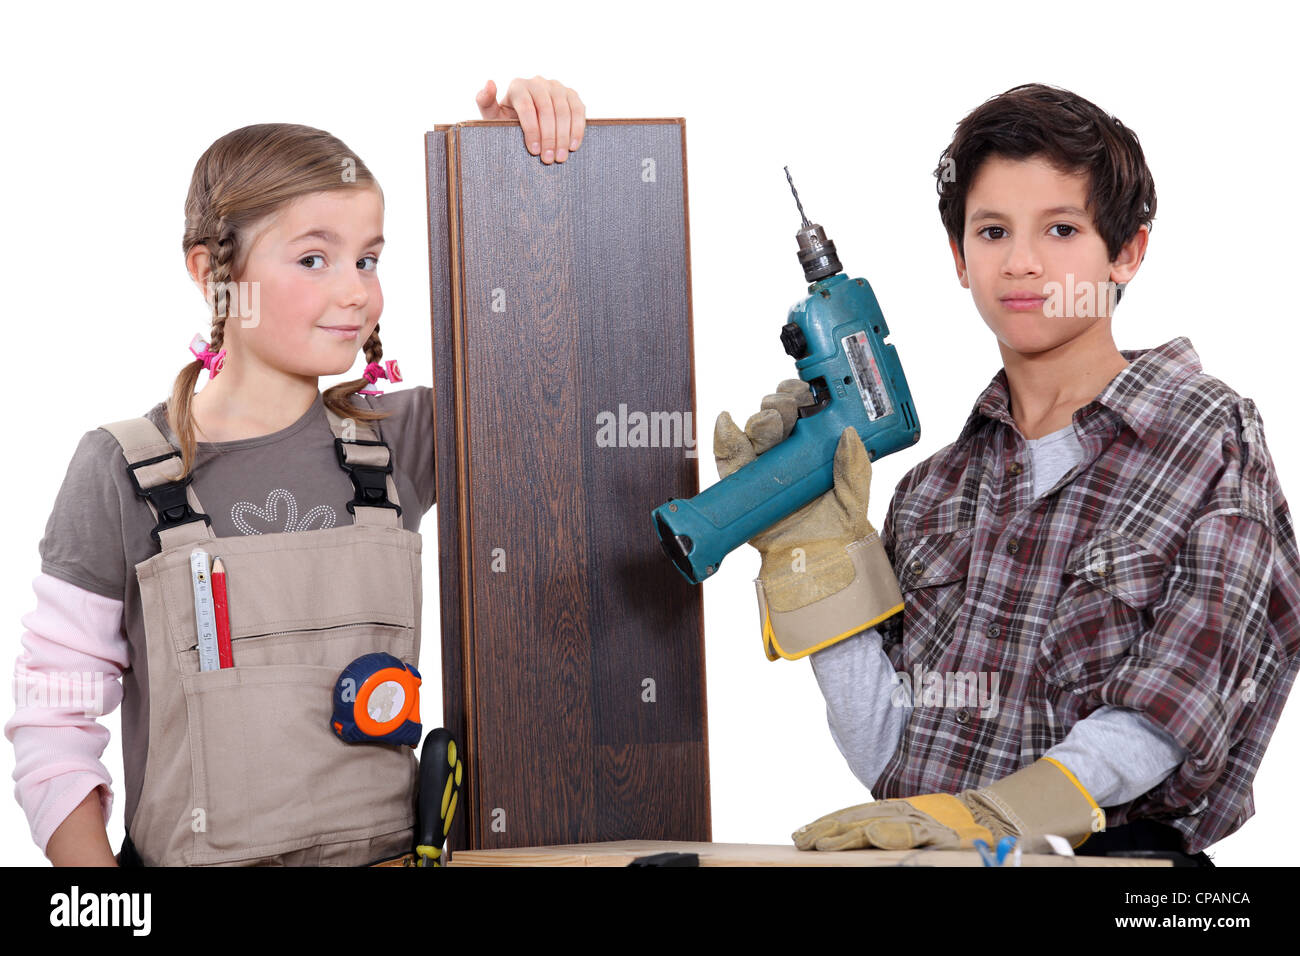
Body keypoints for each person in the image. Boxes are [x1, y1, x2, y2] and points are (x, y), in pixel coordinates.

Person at [6, 76, 587, 866]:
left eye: (369, 258)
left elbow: (556, 371)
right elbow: (56, 714)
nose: (357, 293)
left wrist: (499, 173)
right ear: (215, 271)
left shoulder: (402, 440)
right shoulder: (122, 469)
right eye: (315, 257)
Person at [718, 83, 1300, 866]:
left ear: (1127, 252)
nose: (1023, 262)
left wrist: (996, 816)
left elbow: (1174, 706)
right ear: (960, 258)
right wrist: (815, 550)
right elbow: (889, 749)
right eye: (992, 231)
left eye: (1061, 229)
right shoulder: (933, 492)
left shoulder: (1205, 434)